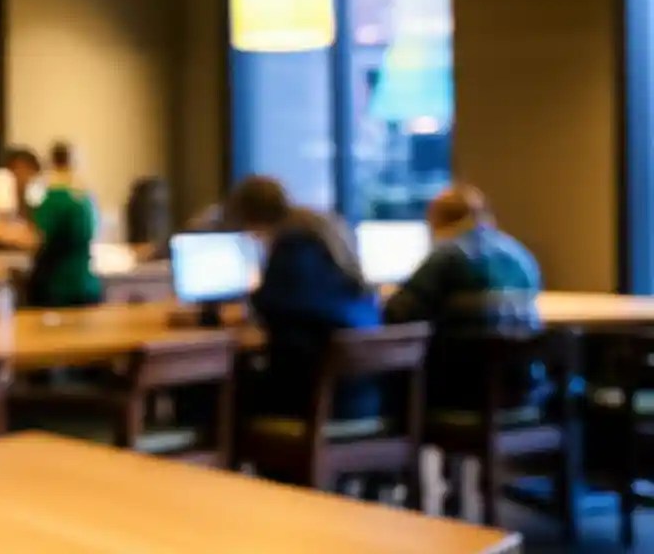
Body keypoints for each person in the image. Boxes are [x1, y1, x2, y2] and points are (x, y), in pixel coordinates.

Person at [230, 176, 382, 419]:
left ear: (251, 219)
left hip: (319, 404)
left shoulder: (292, 245)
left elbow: (271, 306)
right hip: (362, 397)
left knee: (220, 392)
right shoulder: (323, 228)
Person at [383, 184, 544, 408]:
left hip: (463, 396)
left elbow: (398, 313)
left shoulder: (446, 258)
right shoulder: (521, 256)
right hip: (523, 395)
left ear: (436, 219)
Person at [0, 142, 103, 308]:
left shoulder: (55, 199)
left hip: (59, 290)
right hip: (86, 285)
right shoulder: (86, 198)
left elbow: (34, 240)